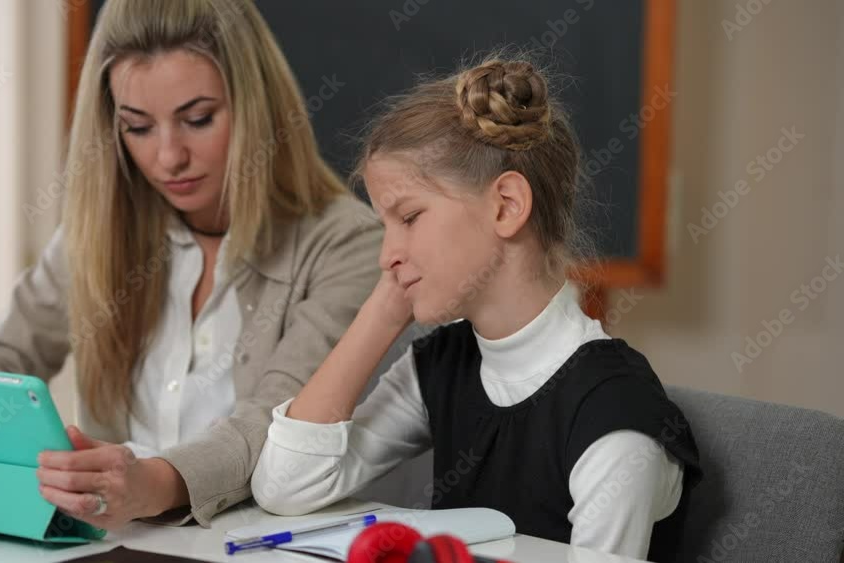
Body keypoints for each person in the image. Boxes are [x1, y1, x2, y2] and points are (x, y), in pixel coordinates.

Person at [250, 55, 702, 561]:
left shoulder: (612, 422)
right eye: (384, 226)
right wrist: (385, 306)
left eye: (409, 217)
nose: (385, 254)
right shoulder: (441, 365)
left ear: (506, 206)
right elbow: (285, 487)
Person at [0, 0, 381, 530]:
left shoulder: (349, 245)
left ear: (259, 107)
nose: (168, 157)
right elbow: (1, 356)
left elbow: (275, 423)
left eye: (197, 119)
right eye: (137, 127)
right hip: (119, 543)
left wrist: (151, 484)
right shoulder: (96, 231)